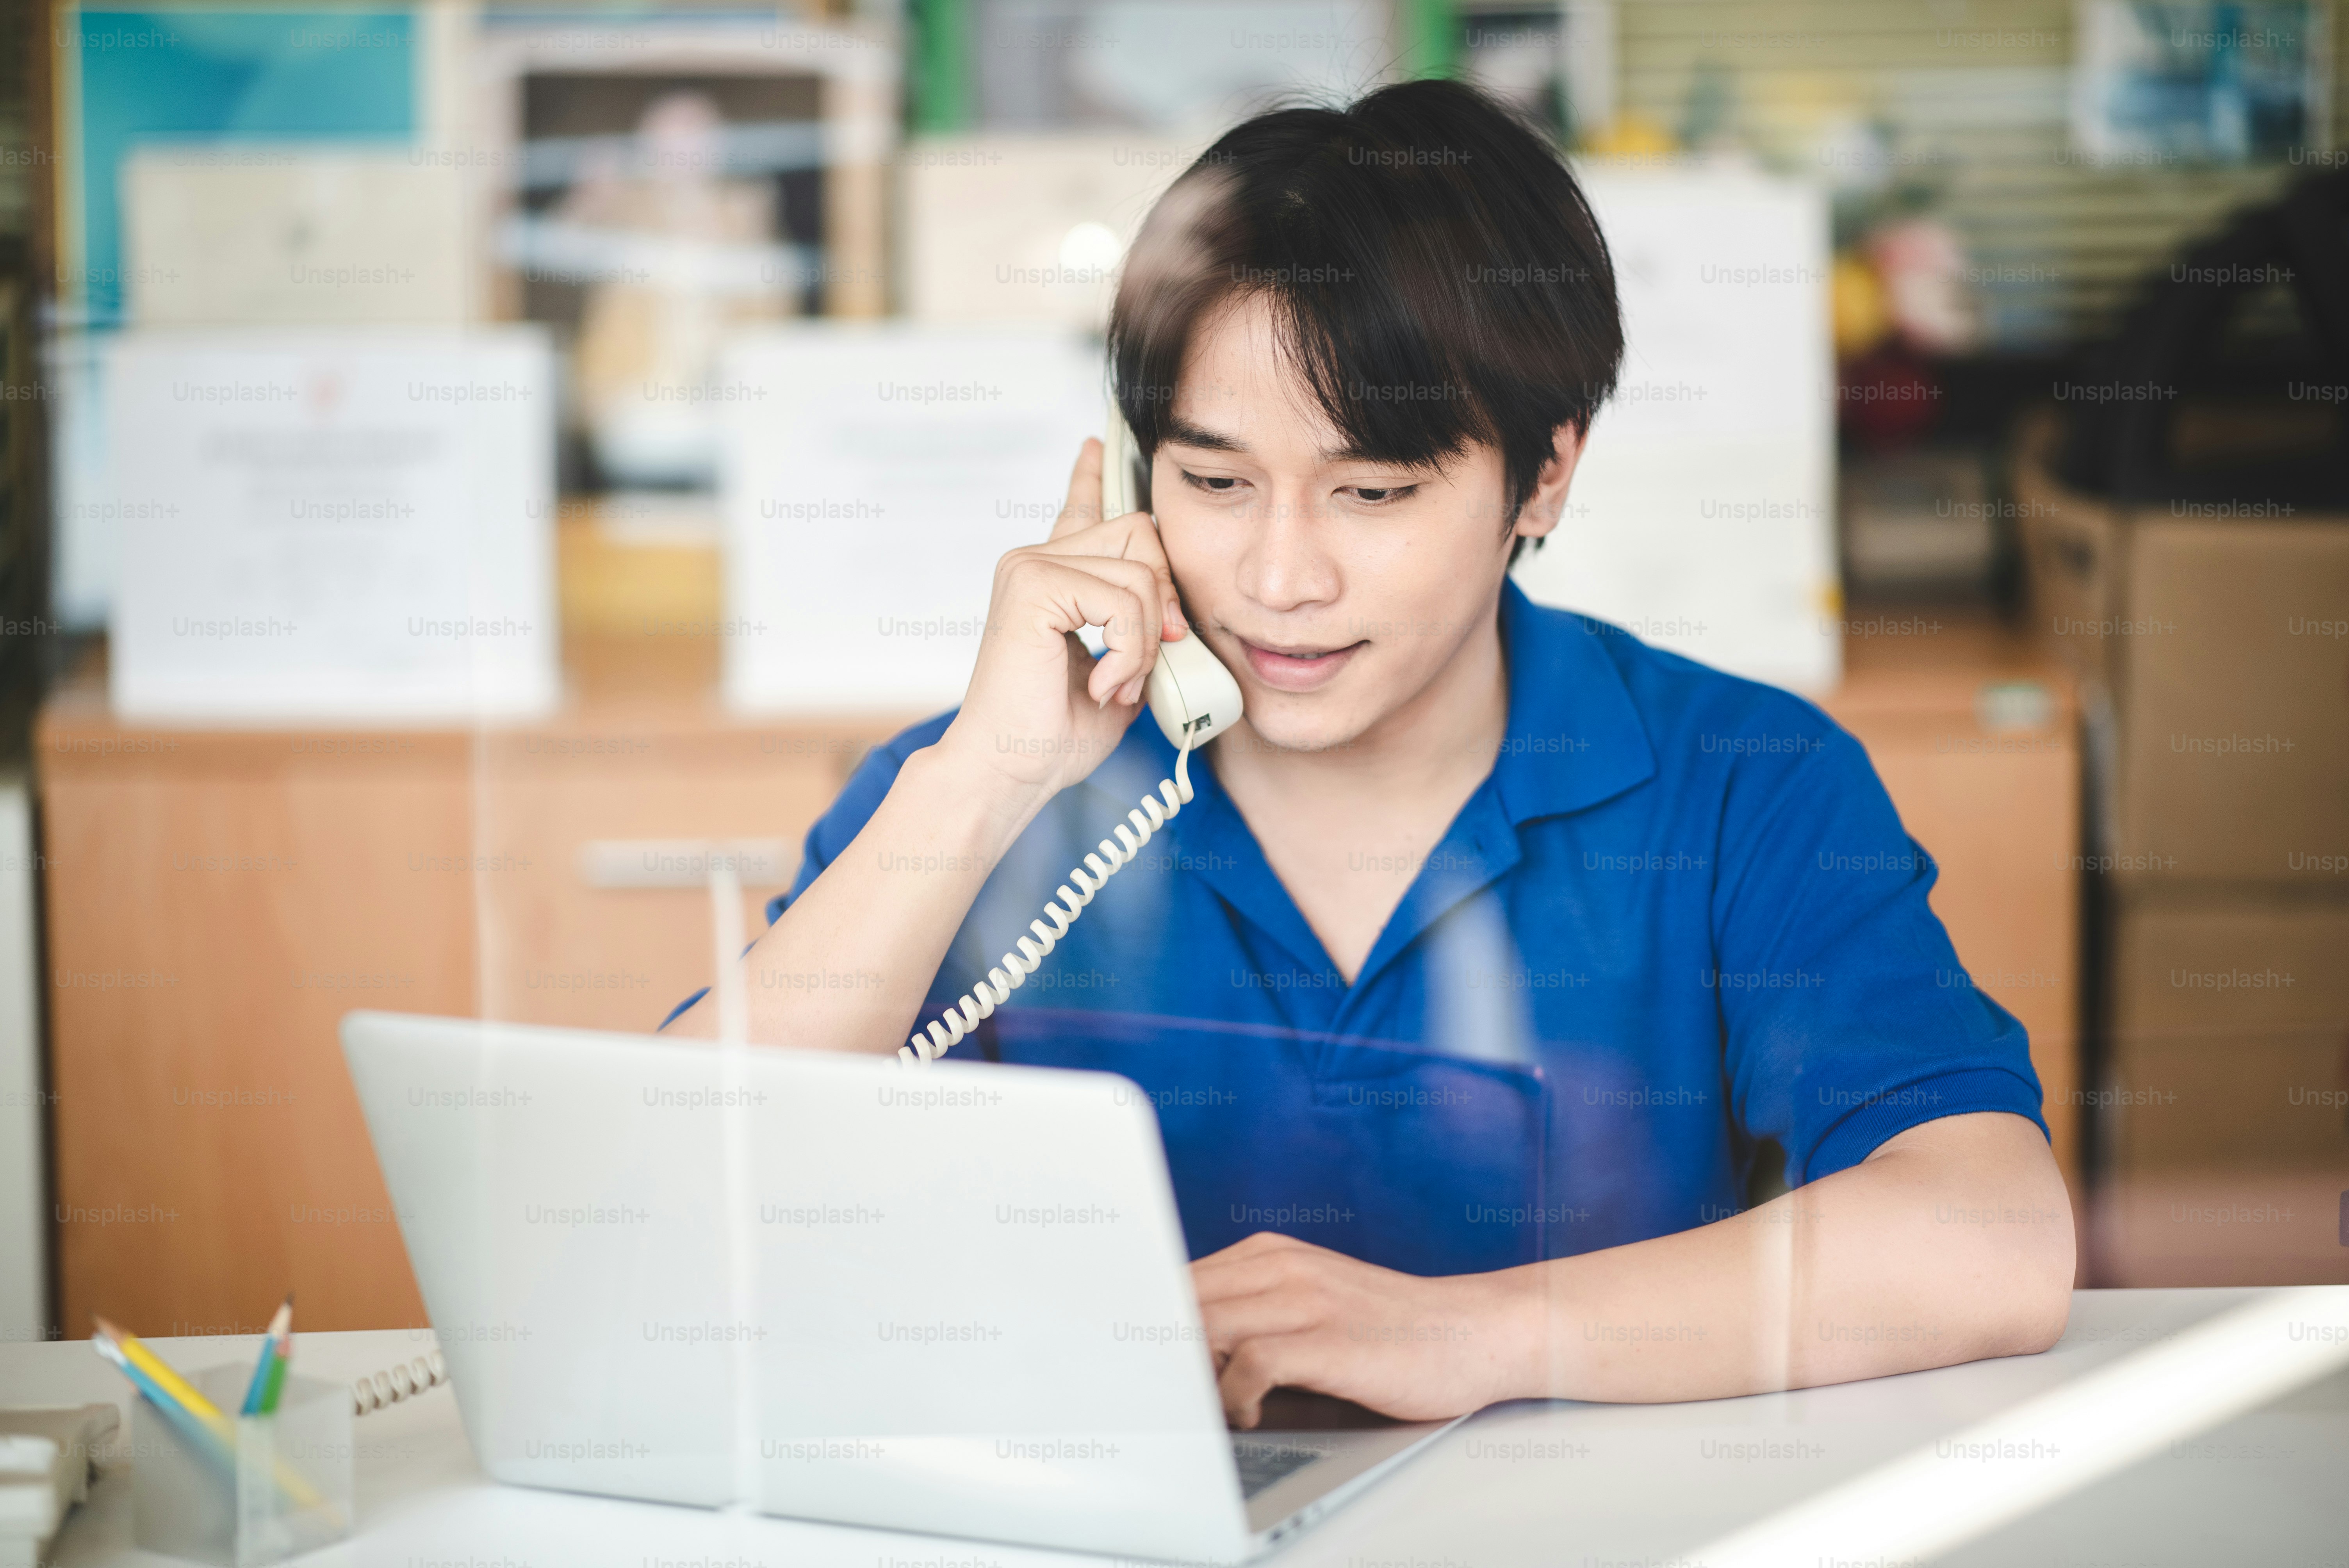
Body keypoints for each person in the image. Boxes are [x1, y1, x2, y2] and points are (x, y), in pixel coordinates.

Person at [666, 79, 2074, 1427]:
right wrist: (982, 781)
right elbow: (679, 1212)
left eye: (1373, 492)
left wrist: (1459, 1336)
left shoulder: (1741, 779)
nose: (1281, 577)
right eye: (1215, 482)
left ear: (1545, 477)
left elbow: (1992, 1234)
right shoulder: (980, 783)